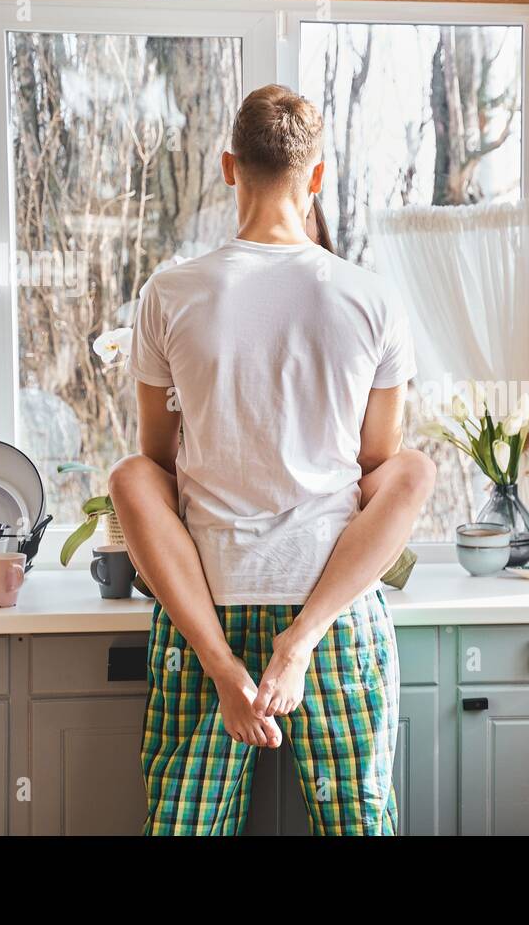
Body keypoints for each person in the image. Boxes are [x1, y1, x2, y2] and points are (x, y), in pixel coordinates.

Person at [109, 84, 436, 836]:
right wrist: (303, 634)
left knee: (185, 828)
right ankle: (299, 644)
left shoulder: (168, 294)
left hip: (207, 609)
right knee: (359, 825)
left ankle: (229, 668)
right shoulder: (372, 297)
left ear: (230, 167)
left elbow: (156, 460)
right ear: (316, 177)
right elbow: (377, 463)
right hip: (331, 608)